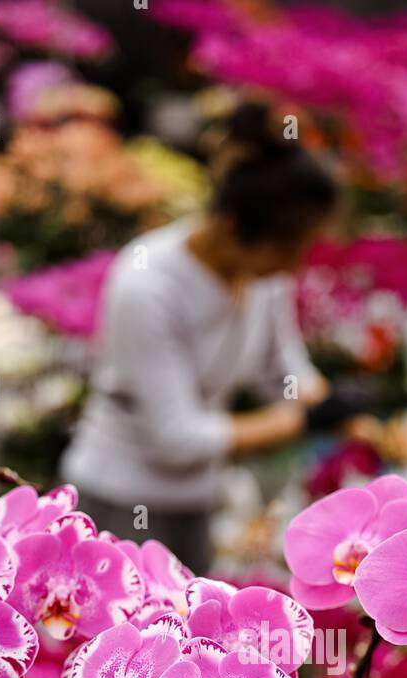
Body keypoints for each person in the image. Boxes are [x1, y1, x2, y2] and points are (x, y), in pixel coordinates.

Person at [61, 101, 340, 573]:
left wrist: (335, 406)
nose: (295, 265)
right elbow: (179, 436)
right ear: (232, 228)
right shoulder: (147, 284)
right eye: (289, 249)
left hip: (197, 503)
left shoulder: (263, 277)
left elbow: (284, 370)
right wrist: (298, 421)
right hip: (122, 503)